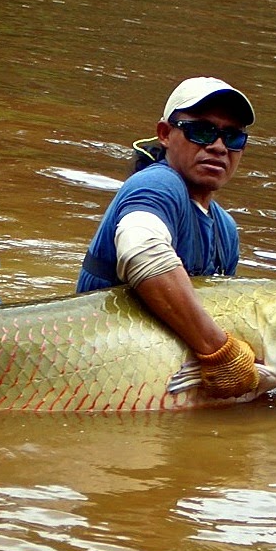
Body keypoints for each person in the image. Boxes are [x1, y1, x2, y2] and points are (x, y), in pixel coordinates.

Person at [76, 77, 260, 399]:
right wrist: (220, 352)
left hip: (154, 375)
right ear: (165, 134)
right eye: (201, 131)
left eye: (232, 137)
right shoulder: (158, 185)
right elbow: (141, 252)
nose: (218, 147)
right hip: (95, 368)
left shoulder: (226, 230)